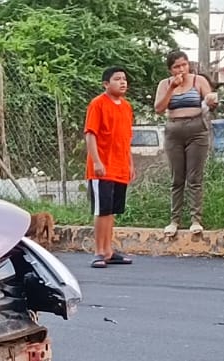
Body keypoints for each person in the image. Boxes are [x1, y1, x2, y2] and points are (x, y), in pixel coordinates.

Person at [154, 51, 218, 236]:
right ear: (170, 69)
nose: (181, 69)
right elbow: (159, 108)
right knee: (177, 178)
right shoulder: (165, 84)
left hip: (196, 128)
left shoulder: (198, 80)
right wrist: (171, 88)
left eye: (184, 65)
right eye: (176, 67)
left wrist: (211, 100)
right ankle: (174, 220)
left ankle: (196, 219)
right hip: (174, 130)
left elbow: (209, 100)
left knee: (194, 177)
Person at [84, 66, 135, 268]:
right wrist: (96, 161)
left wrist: (130, 163)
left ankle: (109, 250)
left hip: (120, 166)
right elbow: (90, 134)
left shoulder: (126, 107)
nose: (122, 82)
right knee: (102, 210)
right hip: (102, 166)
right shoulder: (98, 104)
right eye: (117, 79)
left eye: (124, 79)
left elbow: (126, 138)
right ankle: (99, 251)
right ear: (106, 84)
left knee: (112, 210)